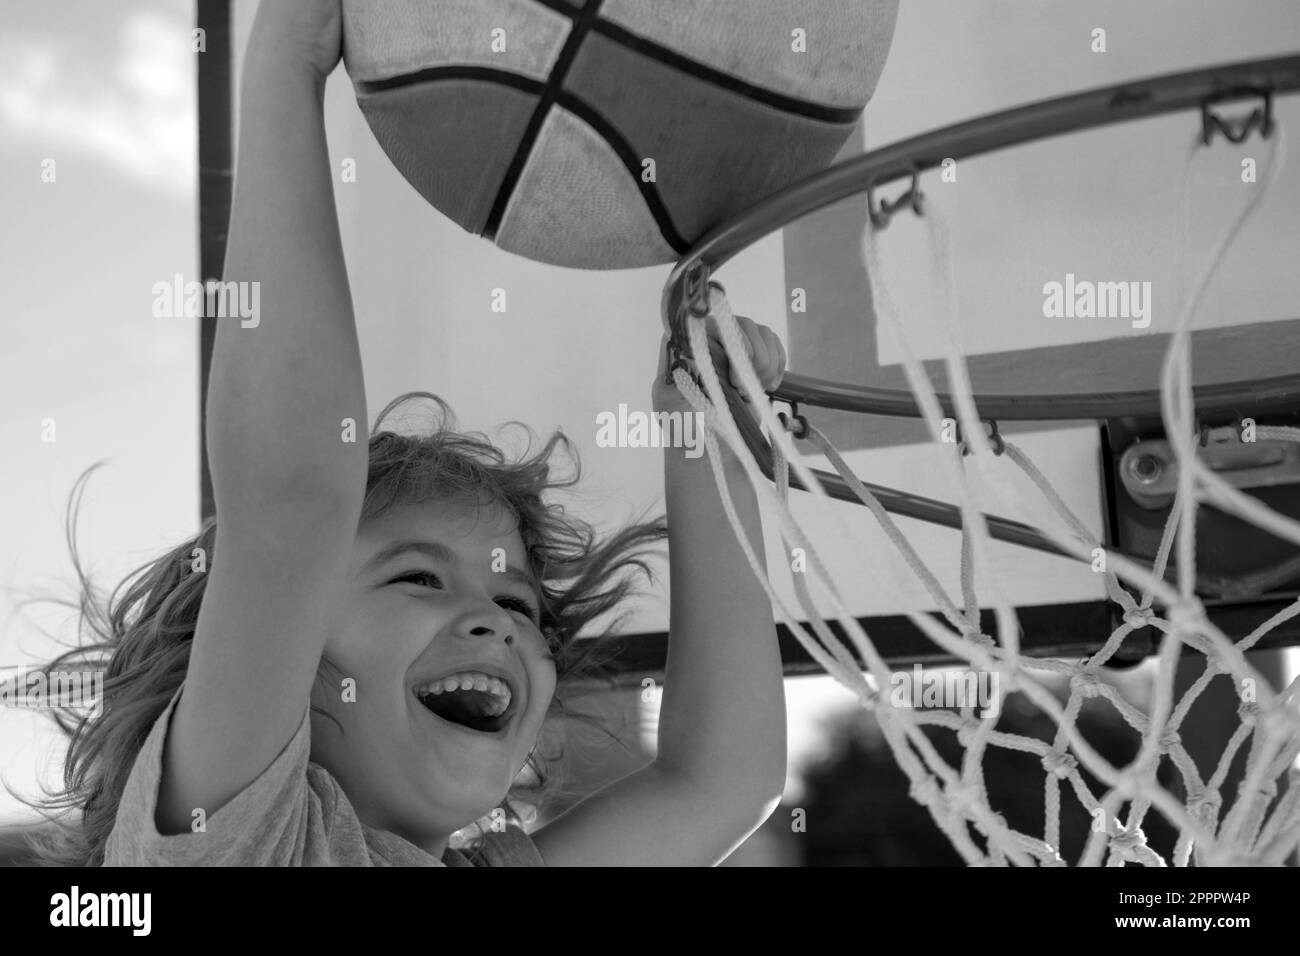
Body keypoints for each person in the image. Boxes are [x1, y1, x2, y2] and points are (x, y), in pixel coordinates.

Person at [29, 0, 790, 867]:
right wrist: (286, 67)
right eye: (418, 577)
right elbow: (291, 504)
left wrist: (708, 436)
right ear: (271, 642)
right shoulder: (245, 840)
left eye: (518, 604)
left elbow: (718, 778)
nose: (496, 623)